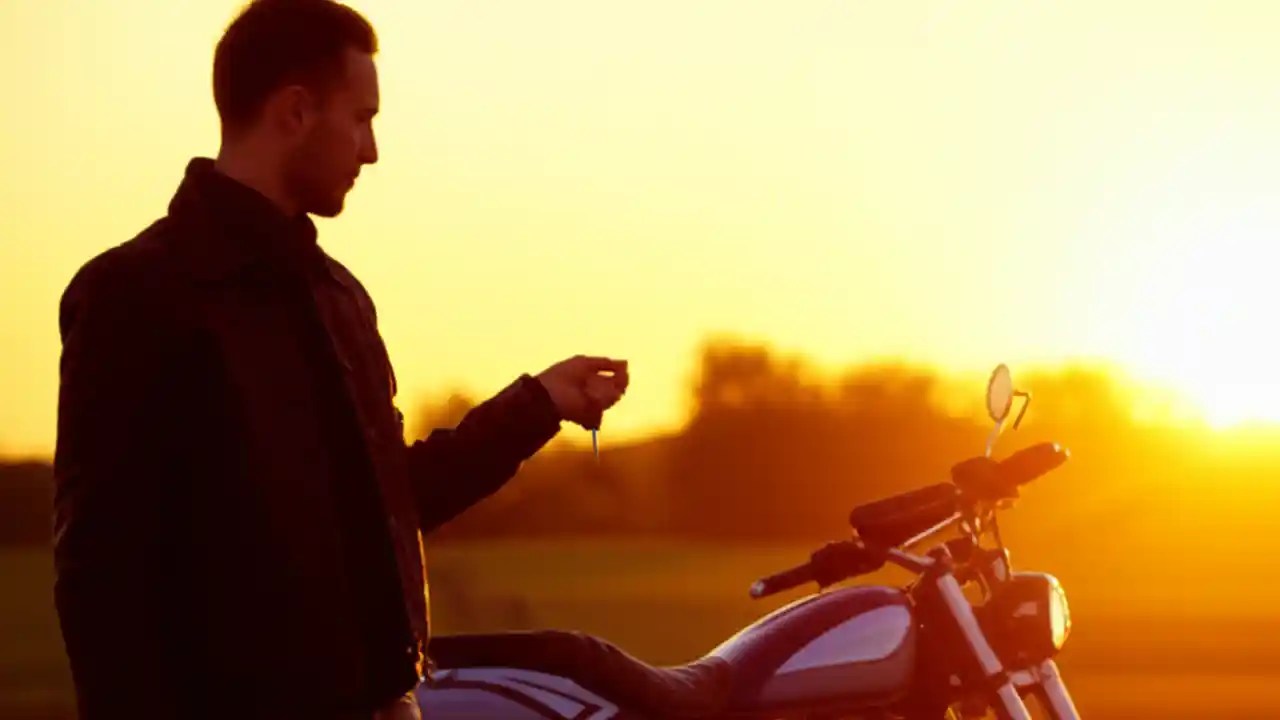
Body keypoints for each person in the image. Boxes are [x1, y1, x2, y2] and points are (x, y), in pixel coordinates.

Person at [51, 1, 629, 718]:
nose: (371, 149)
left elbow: (393, 498)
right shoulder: (134, 295)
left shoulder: (338, 298)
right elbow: (100, 578)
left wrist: (538, 404)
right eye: (361, 119)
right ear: (295, 113)